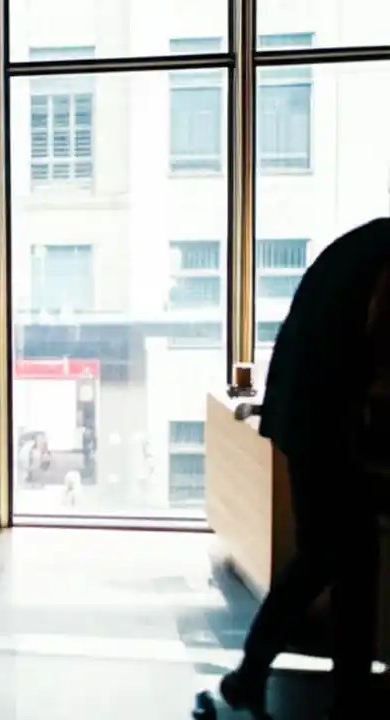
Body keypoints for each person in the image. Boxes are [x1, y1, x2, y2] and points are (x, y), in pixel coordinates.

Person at [217, 218, 388, 719]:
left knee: (342, 561)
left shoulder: (364, 243)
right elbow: (381, 363)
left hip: (306, 418)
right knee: (337, 559)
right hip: (332, 428)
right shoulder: (384, 262)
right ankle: (274, 678)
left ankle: (277, 678)